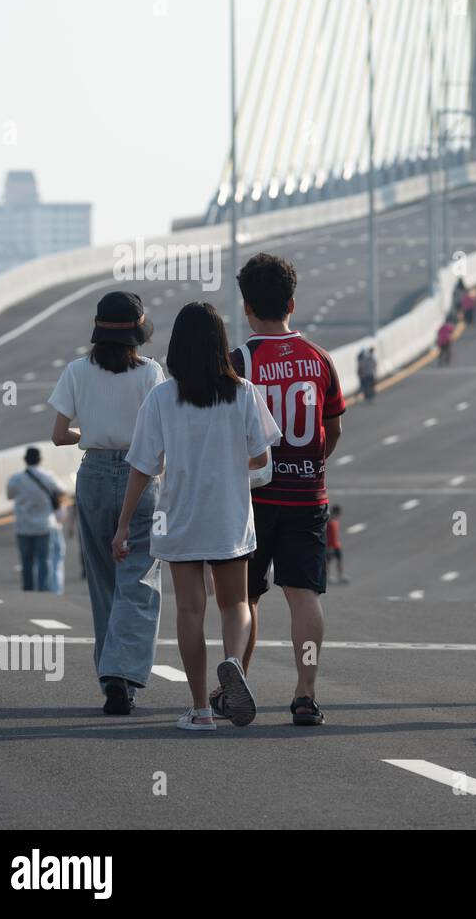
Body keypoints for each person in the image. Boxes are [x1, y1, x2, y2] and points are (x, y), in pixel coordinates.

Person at [114, 301, 280, 731]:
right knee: (236, 603)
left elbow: (142, 467)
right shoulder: (244, 391)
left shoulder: (162, 397)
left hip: (180, 516)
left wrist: (122, 526)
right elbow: (262, 458)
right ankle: (231, 667)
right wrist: (230, 469)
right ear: (221, 345)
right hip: (228, 515)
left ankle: (200, 710)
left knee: (190, 610)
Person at [223, 253, 347, 726]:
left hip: (252, 498)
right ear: (292, 302)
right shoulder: (319, 359)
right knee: (304, 594)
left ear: (246, 307)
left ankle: (237, 677)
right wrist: (310, 465)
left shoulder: (239, 362)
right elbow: (331, 429)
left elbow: (228, 431)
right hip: (306, 495)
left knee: (243, 597)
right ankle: (305, 694)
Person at [49, 291, 165, 715]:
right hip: (140, 477)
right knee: (139, 578)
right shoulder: (151, 374)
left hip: (94, 475)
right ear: (137, 334)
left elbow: (60, 435)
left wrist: (93, 434)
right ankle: (122, 674)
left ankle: (110, 677)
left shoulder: (77, 371)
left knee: (103, 582)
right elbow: (158, 435)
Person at [6, 446, 64, 592]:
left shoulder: (16, 479)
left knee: (26, 562)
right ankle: (43, 591)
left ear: (25, 460)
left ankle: (28, 591)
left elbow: (9, 495)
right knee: (44, 560)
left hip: (23, 526)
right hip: (44, 525)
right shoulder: (47, 476)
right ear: (40, 459)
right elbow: (61, 490)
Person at [326, 505, 348, 584]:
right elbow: (328, 536)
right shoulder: (329, 522)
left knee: (339, 561)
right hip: (330, 546)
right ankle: (328, 577)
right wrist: (329, 547)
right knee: (328, 562)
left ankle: (341, 575)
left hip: (337, 545)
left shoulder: (335, 521)